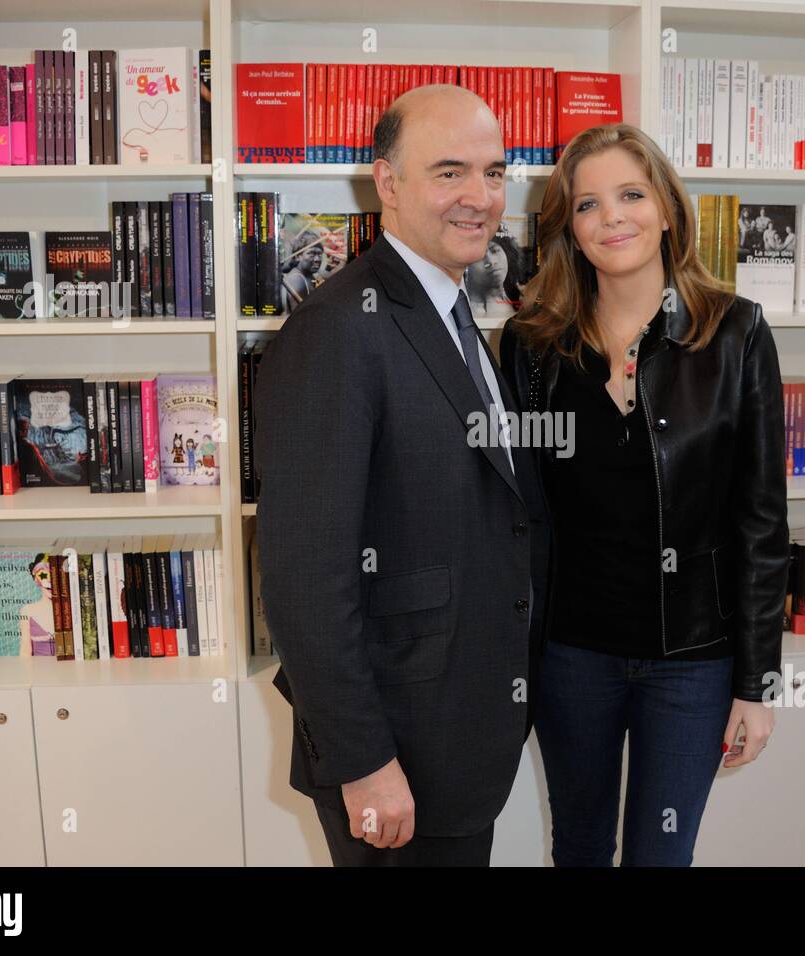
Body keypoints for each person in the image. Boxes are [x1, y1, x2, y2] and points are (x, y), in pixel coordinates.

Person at [253, 84, 550, 867]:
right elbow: (302, 581)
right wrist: (364, 764)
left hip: (453, 736)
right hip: (395, 756)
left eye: (495, 172)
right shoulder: (336, 333)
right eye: (450, 172)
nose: (481, 198)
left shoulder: (453, 312)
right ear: (386, 183)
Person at [500, 123, 790, 867]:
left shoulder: (737, 334)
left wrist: (756, 685)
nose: (612, 219)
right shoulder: (531, 344)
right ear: (569, 228)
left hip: (692, 660)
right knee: (582, 849)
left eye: (631, 194)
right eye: (588, 205)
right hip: (572, 656)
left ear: (666, 207)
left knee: (662, 856)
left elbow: (761, 522)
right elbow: (515, 511)